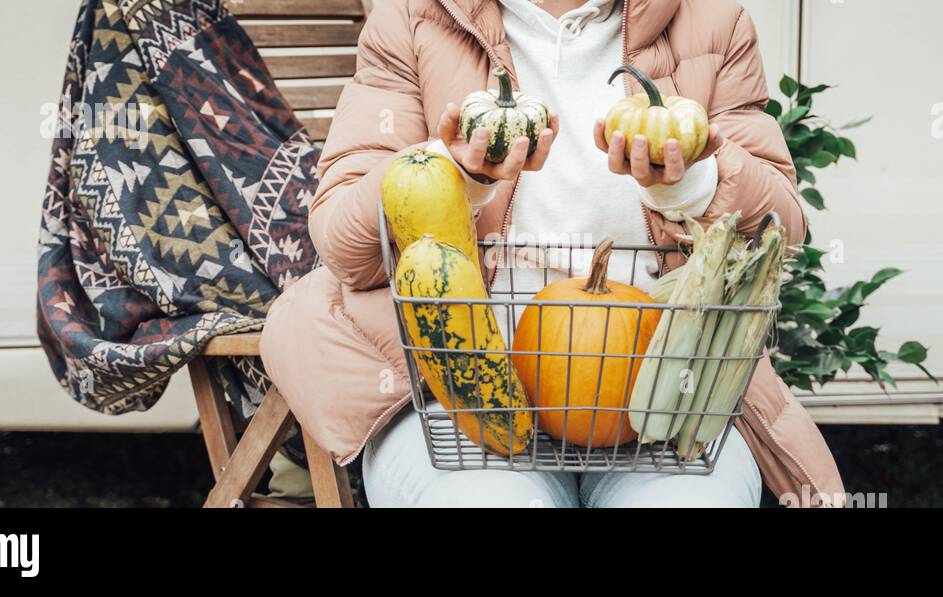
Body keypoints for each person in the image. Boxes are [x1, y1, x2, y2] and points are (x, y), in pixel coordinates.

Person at [260, 0, 845, 507]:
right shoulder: (413, 18)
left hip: (664, 406)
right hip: (459, 404)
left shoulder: (714, 22)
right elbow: (347, 250)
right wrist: (452, 174)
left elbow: (779, 234)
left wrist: (693, 183)